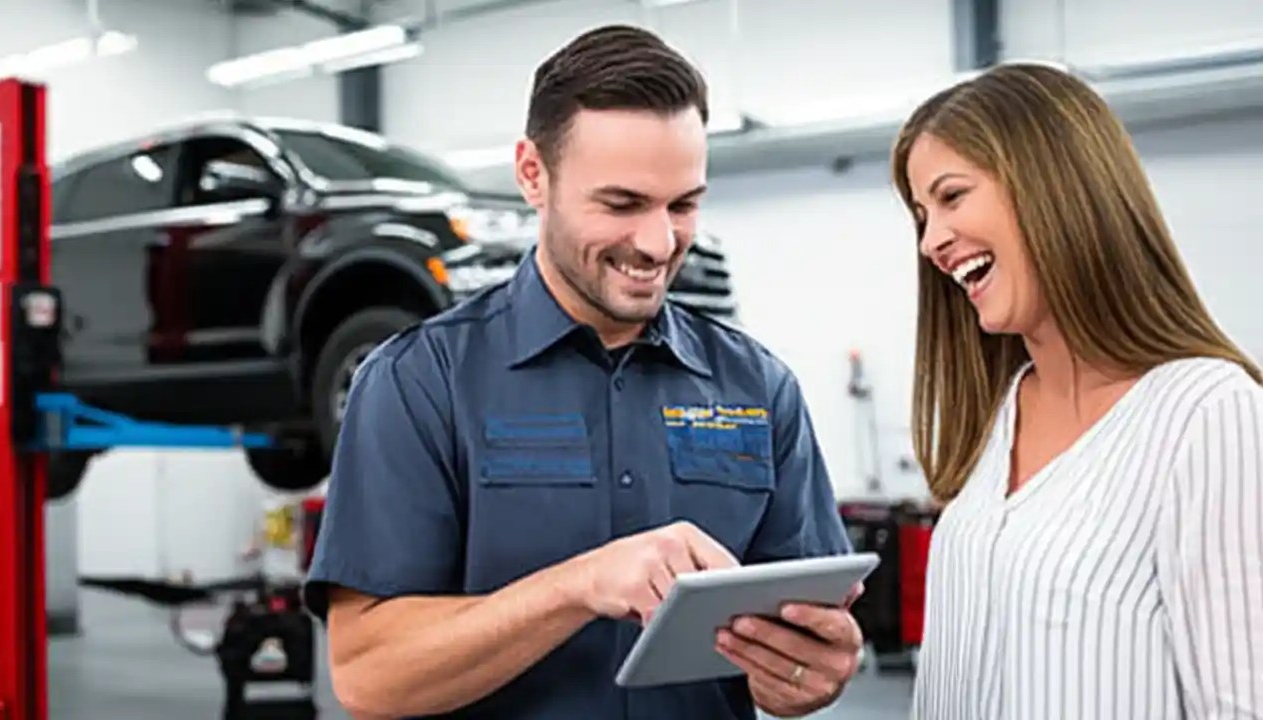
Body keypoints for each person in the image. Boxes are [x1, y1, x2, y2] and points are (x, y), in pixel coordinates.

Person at [303, 24, 863, 720]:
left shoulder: (758, 387)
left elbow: (801, 637)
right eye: (622, 204)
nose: (658, 244)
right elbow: (368, 676)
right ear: (533, 175)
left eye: (683, 205)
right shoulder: (420, 384)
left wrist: (813, 670)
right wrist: (580, 585)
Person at [892, 62, 1263, 719]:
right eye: (923, 214)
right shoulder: (996, 416)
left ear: (1053, 188)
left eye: (952, 197)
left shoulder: (1206, 411)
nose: (931, 242)